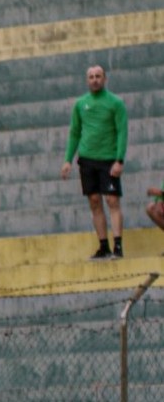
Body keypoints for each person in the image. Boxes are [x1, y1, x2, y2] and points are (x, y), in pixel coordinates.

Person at [61, 65, 129, 260]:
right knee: (94, 201)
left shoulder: (115, 103)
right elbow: (75, 132)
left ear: (105, 78)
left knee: (112, 200)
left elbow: (122, 131)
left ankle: (118, 246)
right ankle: (103, 246)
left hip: (108, 159)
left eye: (98, 76)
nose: (95, 80)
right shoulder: (81, 104)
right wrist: (68, 160)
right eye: (91, 77)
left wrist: (119, 160)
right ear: (87, 80)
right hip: (87, 159)